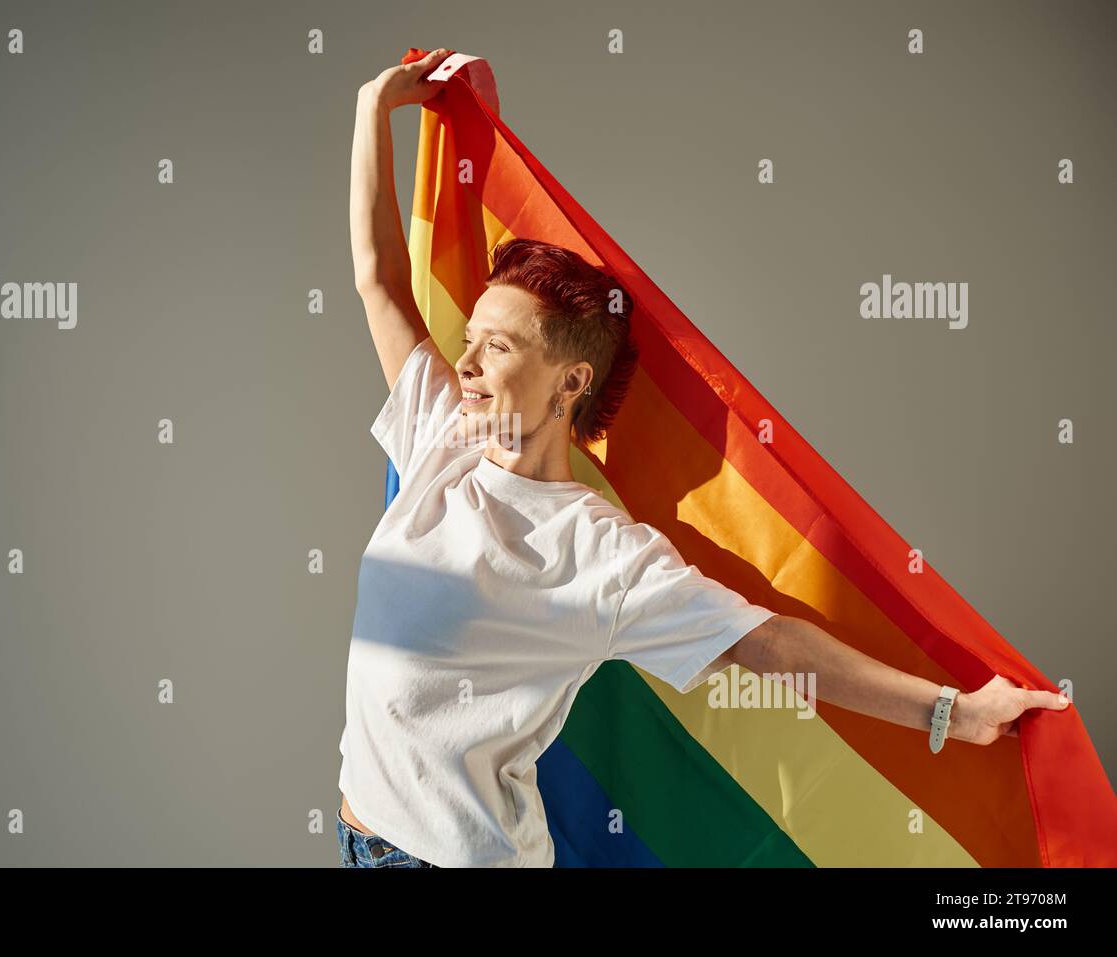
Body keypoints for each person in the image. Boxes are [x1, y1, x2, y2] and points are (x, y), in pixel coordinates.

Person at [336, 49, 1072, 869]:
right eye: (467, 340)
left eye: (495, 346)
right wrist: (375, 107)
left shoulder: (598, 552)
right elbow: (379, 281)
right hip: (356, 839)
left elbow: (777, 648)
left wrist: (954, 713)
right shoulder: (441, 435)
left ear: (570, 382)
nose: (463, 362)